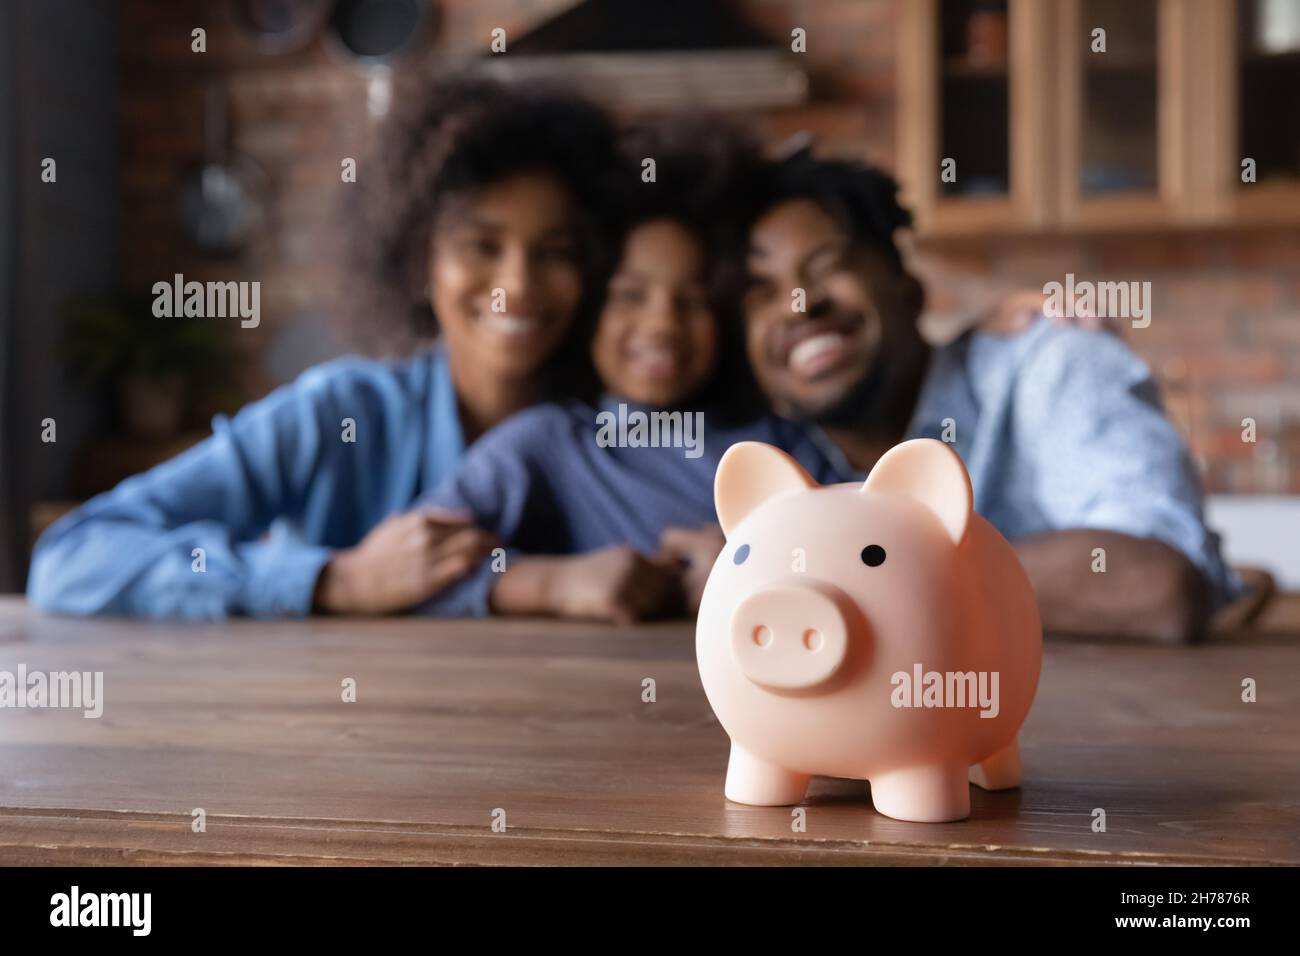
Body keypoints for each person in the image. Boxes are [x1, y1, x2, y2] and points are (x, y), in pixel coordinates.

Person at [27, 78, 620, 618]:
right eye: (482, 246)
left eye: (555, 251)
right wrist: (336, 579)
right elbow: (71, 559)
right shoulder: (339, 415)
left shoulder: (622, 435)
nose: (517, 285)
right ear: (419, 262)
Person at [733, 150, 1237, 643]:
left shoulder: (1053, 361)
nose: (799, 306)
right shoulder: (780, 456)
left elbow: (1161, 588)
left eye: (827, 266)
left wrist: (841, 573)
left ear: (910, 289)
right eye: (761, 294)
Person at [410, 120, 849, 624]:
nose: (663, 325)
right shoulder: (544, 445)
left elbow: (874, 556)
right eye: (630, 296)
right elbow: (410, 567)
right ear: (589, 312)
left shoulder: (781, 447)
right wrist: (551, 585)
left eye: (695, 300)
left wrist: (759, 567)